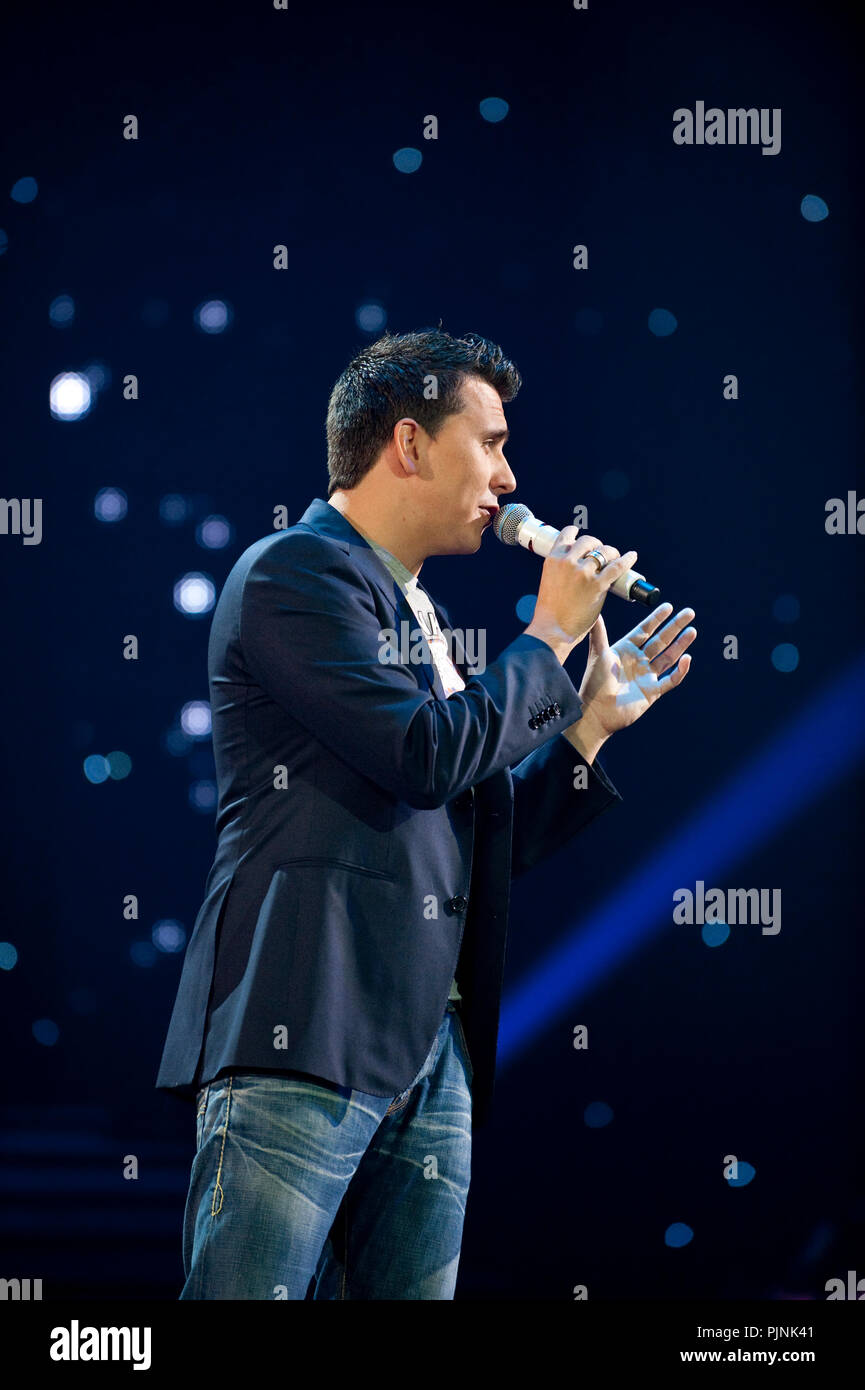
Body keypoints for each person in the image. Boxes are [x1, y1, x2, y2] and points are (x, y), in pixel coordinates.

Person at [155, 328, 696, 1299]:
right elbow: (422, 755)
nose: (508, 473)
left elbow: (471, 839)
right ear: (408, 443)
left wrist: (586, 733)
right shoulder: (295, 574)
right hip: (305, 1030)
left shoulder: (417, 614)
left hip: (429, 1048)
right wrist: (548, 636)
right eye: (487, 442)